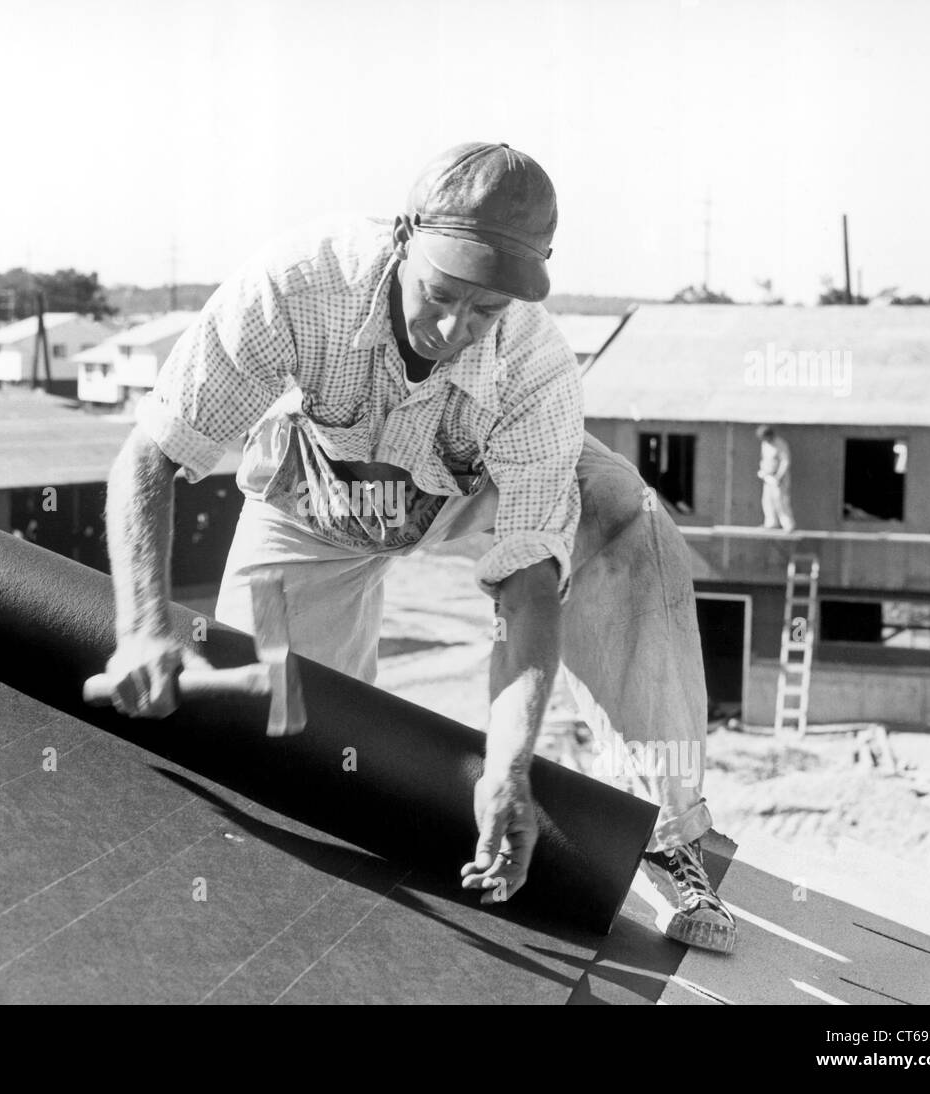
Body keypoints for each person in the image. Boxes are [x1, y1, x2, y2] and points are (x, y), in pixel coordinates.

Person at [94, 141, 736, 952]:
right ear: (403, 236)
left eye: (485, 313)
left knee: (622, 511)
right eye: (440, 295)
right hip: (319, 504)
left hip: (462, 494)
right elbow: (151, 456)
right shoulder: (295, 283)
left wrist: (507, 769)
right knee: (279, 734)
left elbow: (529, 586)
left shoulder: (536, 366)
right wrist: (143, 626)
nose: (452, 329)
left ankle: (669, 829)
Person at [757, 424, 796, 532]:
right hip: (768, 477)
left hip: (779, 478)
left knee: (781, 502)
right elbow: (764, 459)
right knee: (767, 500)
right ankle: (771, 523)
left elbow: (785, 461)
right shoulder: (765, 444)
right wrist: (763, 472)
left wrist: (779, 476)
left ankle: (788, 525)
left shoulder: (780, 444)